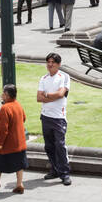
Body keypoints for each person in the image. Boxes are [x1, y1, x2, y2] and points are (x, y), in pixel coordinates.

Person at [0, 84, 28, 194]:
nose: (2, 95)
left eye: (3, 93)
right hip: (20, 142)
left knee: (0, 163)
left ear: (7, 95)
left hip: (9, 144)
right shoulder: (18, 105)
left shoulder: (5, 108)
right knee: (20, 163)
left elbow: (2, 130)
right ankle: (19, 184)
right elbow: (24, 118)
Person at [36, 53, 72, 186]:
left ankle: (65, 173)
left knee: (60, 146)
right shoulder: (43, 78)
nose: (50, 64)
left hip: (59, 118)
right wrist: (52, 96)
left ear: (58, 64)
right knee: (49, 146)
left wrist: (47, 95)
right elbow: (39, 98)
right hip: (46, 116)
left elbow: (61, 94)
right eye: (48, 62)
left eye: (53, 62)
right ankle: (55, 170)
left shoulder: (64, 77)